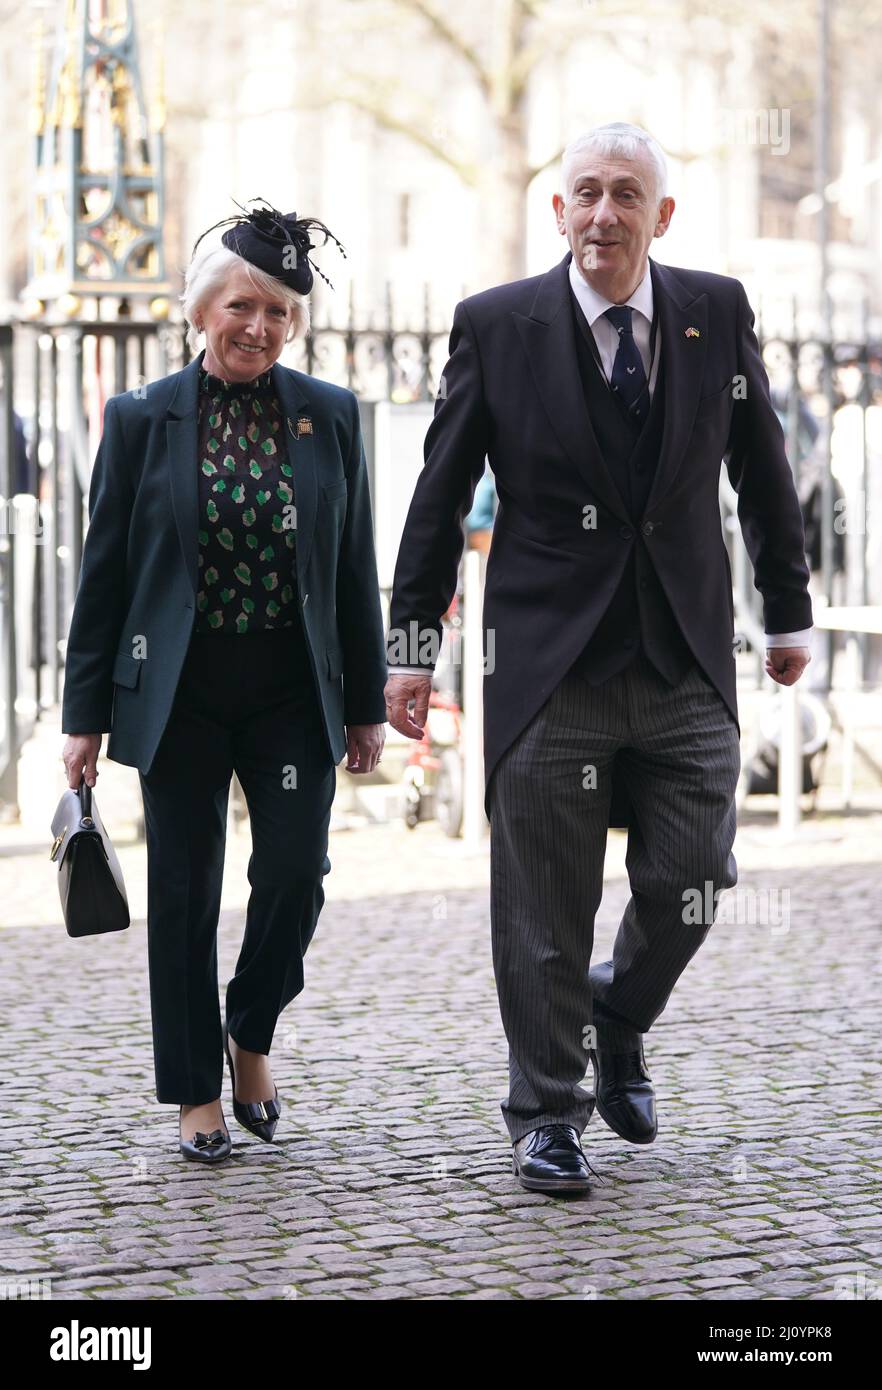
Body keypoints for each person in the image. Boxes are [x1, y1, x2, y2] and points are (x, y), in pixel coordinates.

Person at [385, 123, 813, 1195]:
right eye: (586, 193)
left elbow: (762, 471)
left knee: (698, 876)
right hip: (547, 665)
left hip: (683, 658)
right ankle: (545, 1115)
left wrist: (791, 610)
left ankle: (617, 1021)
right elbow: (436, 499)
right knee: (542, 905)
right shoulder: (498, 325)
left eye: (627, 195)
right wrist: (409, 652)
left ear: (660, 217)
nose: (604, 214)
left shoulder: (715, 312)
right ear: (559, 211)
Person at [61, 201, 387, 1162]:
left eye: (280, 312)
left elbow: (351, 567)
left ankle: (252, 1031)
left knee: (295, 876)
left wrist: (364, 700)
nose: (259, 327)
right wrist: (84, 718)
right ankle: (195, 1093)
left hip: (292, 689)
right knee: (186, 893)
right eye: (243, 305)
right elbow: (105, 575)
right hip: (179, 691)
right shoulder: (140, 418)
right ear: (204, 310)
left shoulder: (327, 415)